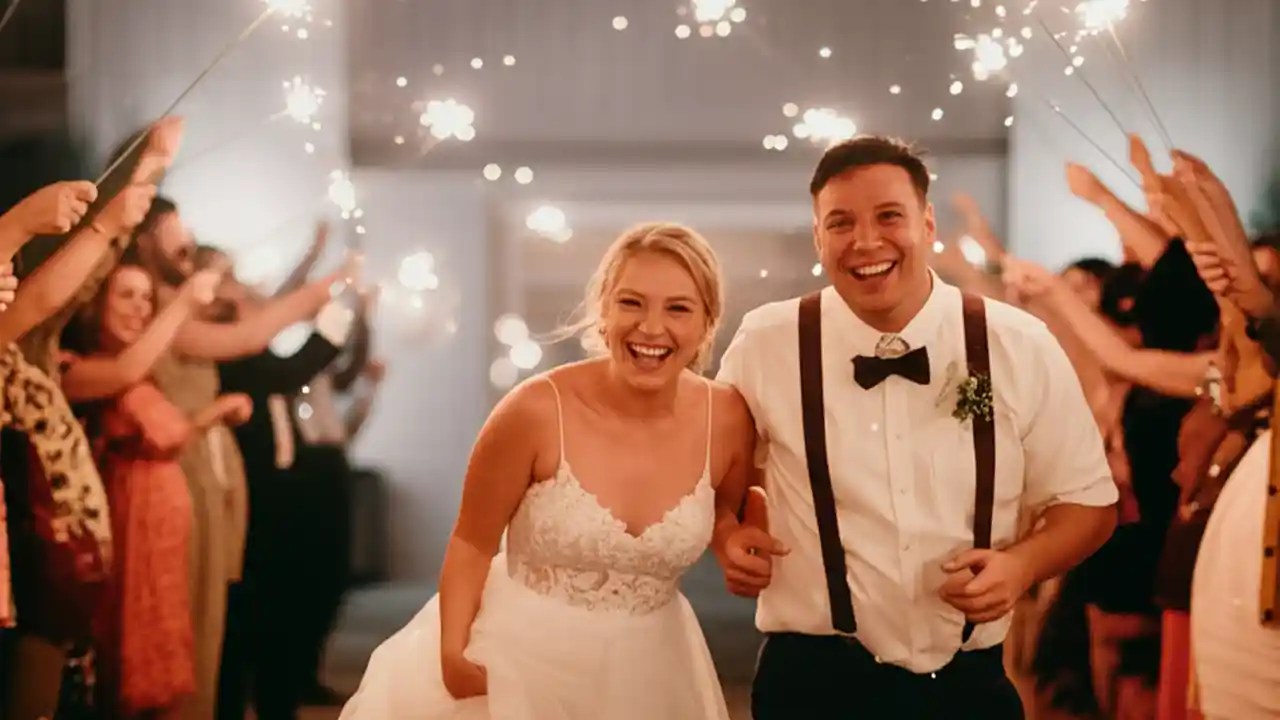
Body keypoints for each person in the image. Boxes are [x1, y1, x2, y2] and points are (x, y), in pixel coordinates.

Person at [713, 135, 1119, 719]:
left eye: (889, 217)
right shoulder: (766, 342)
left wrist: (1022, 565)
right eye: (841, 223)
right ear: (818, 238)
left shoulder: (1017, 343)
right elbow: (710, 482)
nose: (866, 242)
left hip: (966, 688)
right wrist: (727, 537)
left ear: (927, 224)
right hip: (810, 686)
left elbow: (1089, 503)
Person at [339, 222, 756, 720]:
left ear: (708, 324)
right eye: (631, 303)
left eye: (678, 308)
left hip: (656, 668)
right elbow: (472, 542)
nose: (650, 327)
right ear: (602, 311)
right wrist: (452, 652)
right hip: (518, 661)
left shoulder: (727, 416)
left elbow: (725, 513)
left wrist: (731, 543)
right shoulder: (535, 410)